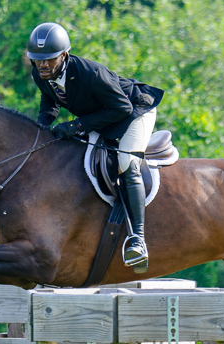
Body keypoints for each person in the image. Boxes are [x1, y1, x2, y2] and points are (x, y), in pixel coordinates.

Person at [27, 22, 164, 269]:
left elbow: (123, 108)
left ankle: (138, 240)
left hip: (135, 110)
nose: (43, 65)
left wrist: (76, 126)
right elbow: (50, 100)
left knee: (126, 162)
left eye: (49, 59)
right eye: (38, 60)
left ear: (64, 55)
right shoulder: (41, 73)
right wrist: (41, 126)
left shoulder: (91, 73)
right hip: (104, 114)